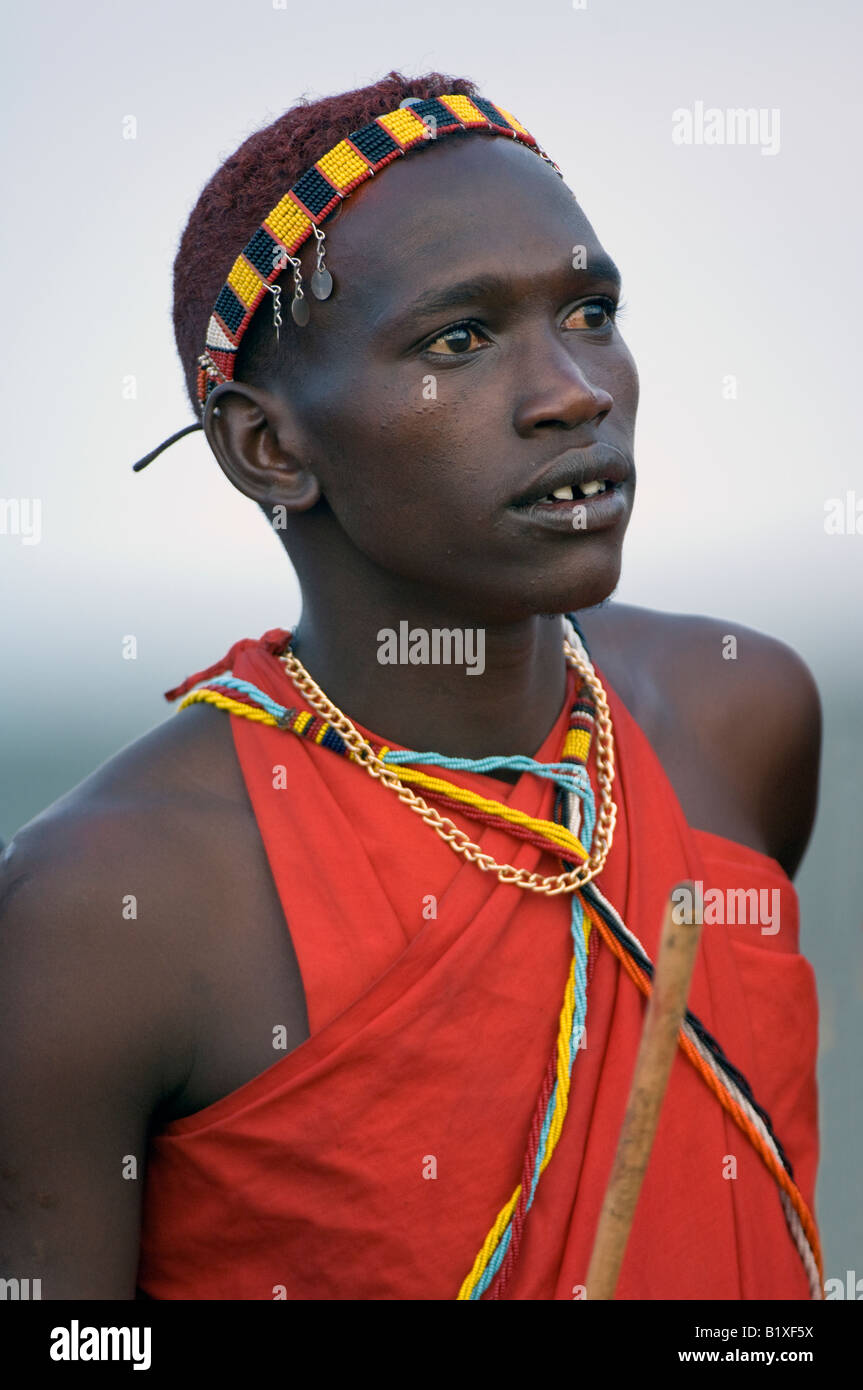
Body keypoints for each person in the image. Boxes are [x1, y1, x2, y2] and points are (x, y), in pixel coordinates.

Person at [0, 70, 822, 1300]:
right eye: (460, 339)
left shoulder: (736, 718)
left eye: (589, 312)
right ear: (269, 448)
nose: (574, 391)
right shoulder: (106, 912)